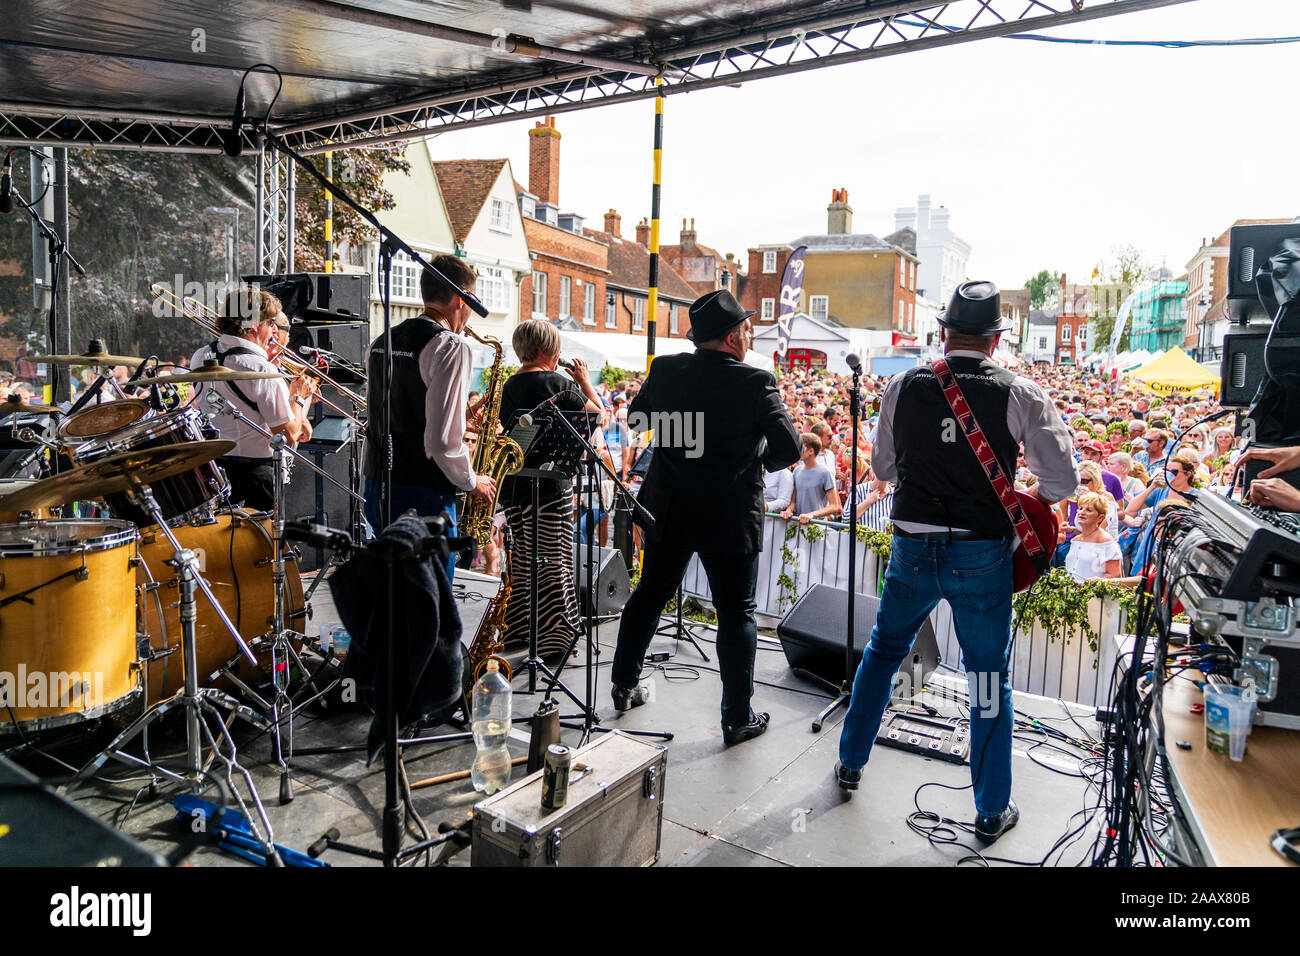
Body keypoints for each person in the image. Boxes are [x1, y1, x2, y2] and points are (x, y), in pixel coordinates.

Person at [834, 281, 1077, 843]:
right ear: (995, 340)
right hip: (980, 556)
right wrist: (1007, 485)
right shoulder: (1020, 392)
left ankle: (850, 762)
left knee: (884, 652)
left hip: (913, 549)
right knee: (988, 678)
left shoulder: (904, 385)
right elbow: (1062, 482)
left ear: (943, 334)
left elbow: (886, 471)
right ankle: (991, 809)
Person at [609, 290, 801, 745]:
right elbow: (790, 448)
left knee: (651, 593)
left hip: (671, 504)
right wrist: (753, 457)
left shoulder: (667, 369)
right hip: (729, 514)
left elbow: (637, 422)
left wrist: (682, 436)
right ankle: (736, 718)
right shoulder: (755, 383)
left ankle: (623, 685)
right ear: (735, 337)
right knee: (736, 613)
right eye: (747, 330)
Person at [360, 255, 495, 580]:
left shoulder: (381, 341)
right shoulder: (451, 346)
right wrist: (471, 480)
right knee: (428, 604)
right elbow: (443, 442)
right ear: (462, 300)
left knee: (394, 595)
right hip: (424, 495)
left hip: (376, 484)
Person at [497, 319, 603, 659]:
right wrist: (585, 382)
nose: (560, 355)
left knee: (523, 562)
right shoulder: (557, 383)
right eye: (557, 348)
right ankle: (556, 639)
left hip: (516, 487)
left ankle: (517, 632)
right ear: (545, 351)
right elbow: (597, 416)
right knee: (554, 561)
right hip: (550, 489)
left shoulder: (510, 386)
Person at [190, 287, 316, 511]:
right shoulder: (261, 369)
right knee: (262, 542)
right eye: (270, 323)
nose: (273, 331)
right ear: (254, 324)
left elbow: (242, 405)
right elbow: (289, 434)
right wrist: (298, 396)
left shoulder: (200, 356)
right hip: (256, 476)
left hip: (216, 470)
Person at [781, 433, 842, 525]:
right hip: (798, 525)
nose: (797, 450)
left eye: (801, 447)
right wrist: (788, 511)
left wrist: (811, 515)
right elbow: (793, 502)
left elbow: (834, 506)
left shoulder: (825, 472)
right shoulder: (797, 471)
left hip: (818, 526)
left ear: (811, 451)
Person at [1063, 491, 1122, 583]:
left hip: (1092, 595)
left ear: (1100, 518)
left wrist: (1089, 587)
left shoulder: (1106, 543)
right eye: (1081, 508)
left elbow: (1115, 575)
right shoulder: (1076, 540)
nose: (1082, 512)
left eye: (1089, 510)